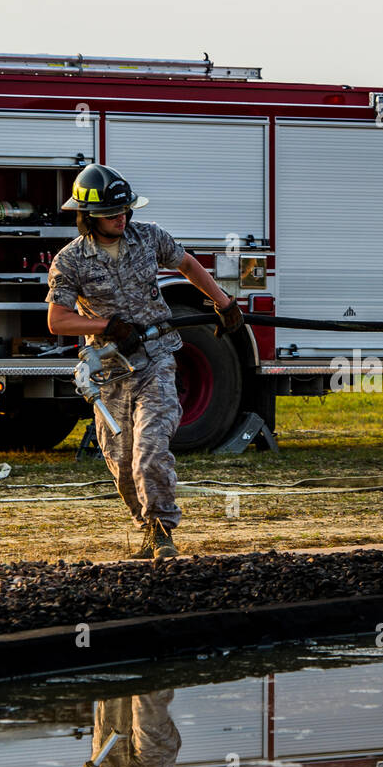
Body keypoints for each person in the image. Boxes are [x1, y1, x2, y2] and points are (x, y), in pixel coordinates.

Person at [46, 164, 244, 560]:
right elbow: (57, 320)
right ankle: (146, 529)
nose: (121, 218)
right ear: (88, 218)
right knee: (121, 461)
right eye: (111, 214)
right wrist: (108, 326)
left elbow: (186, 263)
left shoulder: (149, 237)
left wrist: (222, 302)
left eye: (125, 211)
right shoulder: (70, 262)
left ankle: (161, 529)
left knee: (150, 449)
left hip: (157, 360)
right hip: (110, 370)